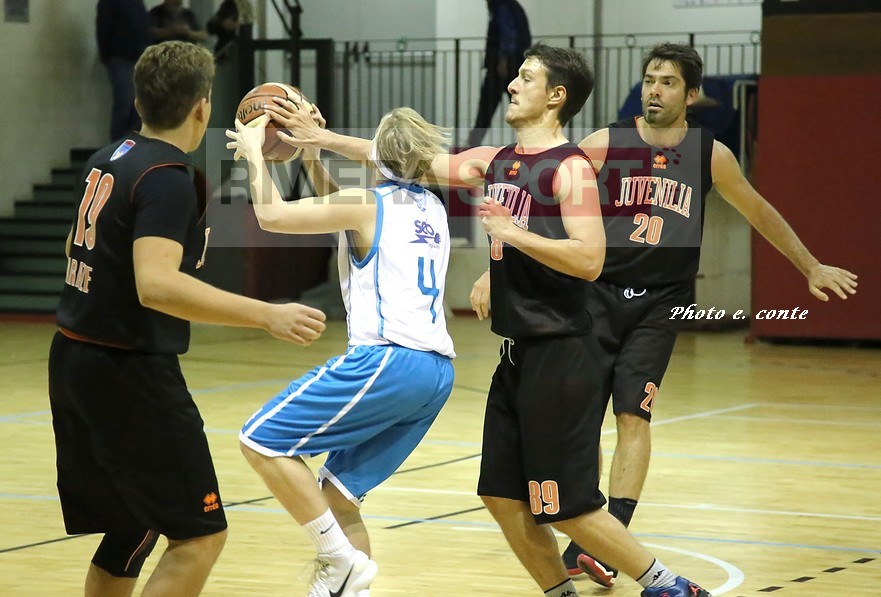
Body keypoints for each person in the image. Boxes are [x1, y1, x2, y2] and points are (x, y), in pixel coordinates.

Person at [275, 42, 712, 597]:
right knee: (503, 496)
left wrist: (511, 237)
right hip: (516, 354)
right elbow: (407, 160)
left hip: (561, 353)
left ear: (556, 96)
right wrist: (320, 140)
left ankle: (669, 585)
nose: (511, 84)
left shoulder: (571, 168)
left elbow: (590, 258)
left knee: (566, 508)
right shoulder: (499, 160)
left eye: (526, 78)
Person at [472, 41, 859, 589]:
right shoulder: (606, 143)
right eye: (650, 79)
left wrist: (810, 265)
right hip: (597, 296)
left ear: (691, 94)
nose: (655, 89)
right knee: (584, 413)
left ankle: (603, 540)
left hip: (659, 303)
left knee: (635, 413)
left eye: (668, 82)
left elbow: (760, 211)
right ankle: (595, 529)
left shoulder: (710, 154)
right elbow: (541, 196)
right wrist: (498, 267)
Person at [47, 41, 326, 597]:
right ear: (203, 107)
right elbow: (157, 285)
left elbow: (80, 252)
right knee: (200, 536)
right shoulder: (170, 178)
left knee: (133, 523)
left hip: (74, 357)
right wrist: (265, 314)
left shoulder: (110, 156)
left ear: (137, 96)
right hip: (129, 373)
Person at [226, 105, 456, 597]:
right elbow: (345, 210)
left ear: (377, 155)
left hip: (388, 359)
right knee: (338, 497)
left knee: (259, 441)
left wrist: (253, 157)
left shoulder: (368, 204)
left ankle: (338, 559)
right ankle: (351, 584)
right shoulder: (431, 208)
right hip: (435, 374)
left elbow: (272, 217)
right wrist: (311, 154)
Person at [467, 0, 531, 147]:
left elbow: (506, 33)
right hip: (513, 64)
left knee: (485, 112)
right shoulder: (511, 6)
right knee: (522, 109)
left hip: (502, 67)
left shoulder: (501, 6)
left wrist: (502, 59)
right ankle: (535, 144)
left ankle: (471, 148)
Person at [96, 0, 150, 141]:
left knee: (137, 106)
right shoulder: (111, 3)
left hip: (137, 58)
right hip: (122, 57)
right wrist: (108, 56)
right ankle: (118, 146)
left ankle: (130, 145)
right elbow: (104, 28)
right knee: (125, 104)